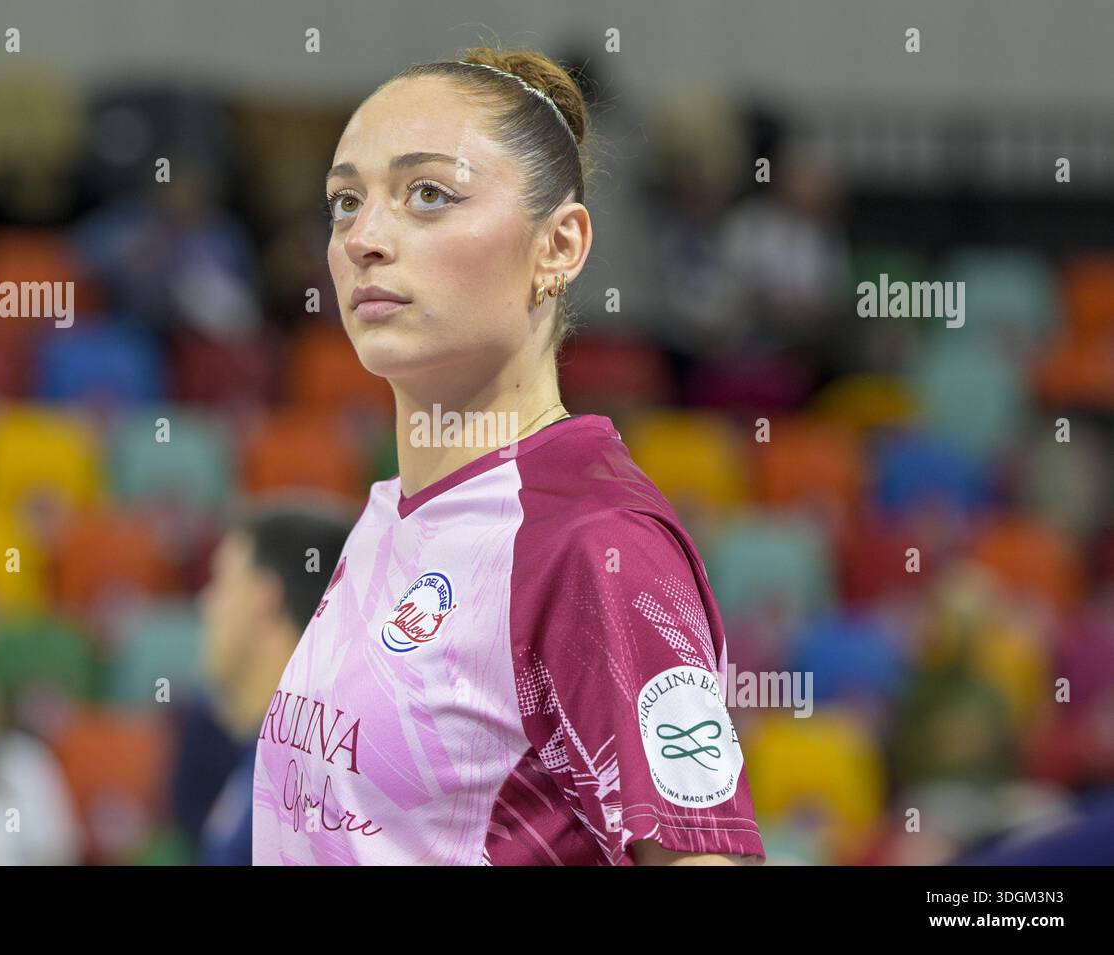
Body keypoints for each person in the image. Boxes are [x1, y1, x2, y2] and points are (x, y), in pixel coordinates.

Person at [251, 46, 766, 866]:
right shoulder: (394, 511)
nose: (365, 239)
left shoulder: (594, 545)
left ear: (558, 246)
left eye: (428, 194)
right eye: (345, 202)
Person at [190, 499, 355, 865]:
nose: (206, 604)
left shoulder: (313, 777)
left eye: (221, 584)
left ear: (265, 600)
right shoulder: (271, 751)